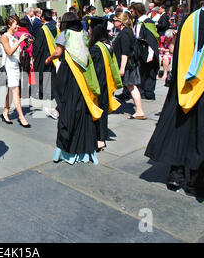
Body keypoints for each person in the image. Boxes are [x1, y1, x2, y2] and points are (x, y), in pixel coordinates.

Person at [145, 0, 204, 198]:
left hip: (184, 84)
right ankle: (196, 180)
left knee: (181, 129)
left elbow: (178, 55)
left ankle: (175, 175)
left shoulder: (190, 19)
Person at [45, 12, 102, 165]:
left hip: (69, 75)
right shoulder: (83, 33)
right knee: (82, 111)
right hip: (83, 76)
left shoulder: (65, 34)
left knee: (67, 110)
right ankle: (85, 151)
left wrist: (49, 58)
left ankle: (66, 151)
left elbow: (58, 52)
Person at [88, 18, 123, 152]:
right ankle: (101, 138)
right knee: (103, 112)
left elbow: (94, 70)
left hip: (99, 84)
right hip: (106, 83)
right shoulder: (107, 45)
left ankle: (100, 140)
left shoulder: (97, 48)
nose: (89, 31)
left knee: (98, 111)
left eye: (90, 29)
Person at [113, 11, 146, 120]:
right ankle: (139, 110)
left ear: (120, 22)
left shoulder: (125, 33)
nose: (113, 22)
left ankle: (140, 110)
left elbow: (125, 53)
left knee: (131, 86)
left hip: (127, 66)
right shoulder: (127, 32)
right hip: (129, 65)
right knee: (131, 86)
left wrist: (121, 68)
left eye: (114, 20)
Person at [0, 15, 31, 128]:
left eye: (18, 23)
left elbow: (17, 53)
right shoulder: (4, 37)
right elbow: (9, 52)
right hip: (8, 67)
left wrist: (27, 43)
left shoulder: (15, 37)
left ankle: (5, 112)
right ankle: (21, 117)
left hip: (16, 67)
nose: (18, 26)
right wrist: (20, 41)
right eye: (16, 24)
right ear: (9, 25)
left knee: (11, 92)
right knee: (16, 92)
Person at [32, 9, 60, 118]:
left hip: (44, 55)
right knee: (52, 74)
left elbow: (38, 45)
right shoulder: (56, 28)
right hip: (54, 55)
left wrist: (34, 55)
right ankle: (52, 93)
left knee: (44, 75)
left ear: (43, 18)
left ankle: (44, 94)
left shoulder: (43, 29)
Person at [131, 2, 160, 101]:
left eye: (132, 11)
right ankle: (142, 90)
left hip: (146, 49)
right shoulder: (137, 21)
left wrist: (151, 54)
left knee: (149, 70)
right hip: (139, 47)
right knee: (141, 70)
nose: (131, 13)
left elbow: (151, 39)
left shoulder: (148, 21)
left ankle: (149, 92)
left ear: (137, 10)